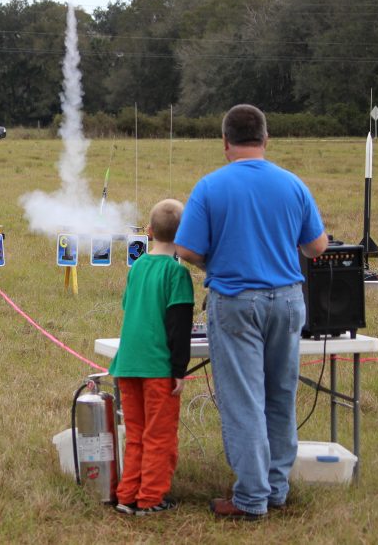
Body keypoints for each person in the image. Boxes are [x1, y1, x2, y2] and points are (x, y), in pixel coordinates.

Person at [174, 104, 328, 521]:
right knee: (280, 395)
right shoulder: (293, 184)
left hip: (236, 302)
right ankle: (276, 489)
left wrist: (216, 263)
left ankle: (251, 497)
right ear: (265, 139)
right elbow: (317, 247)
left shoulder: (210, 187)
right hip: (289, 302)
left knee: (243, 400)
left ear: (225, 142)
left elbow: (186, 249)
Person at [108, 198, 195, 516]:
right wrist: (179, 370)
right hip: (158, 370)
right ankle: (150, 499)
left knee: (136, 434)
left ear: (148, 231)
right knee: (159, 436)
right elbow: (179, 327)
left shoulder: (137, 268)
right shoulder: (177, 274)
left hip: (127, 365)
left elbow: (128, 307)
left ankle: (127, 495)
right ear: (183, 234)